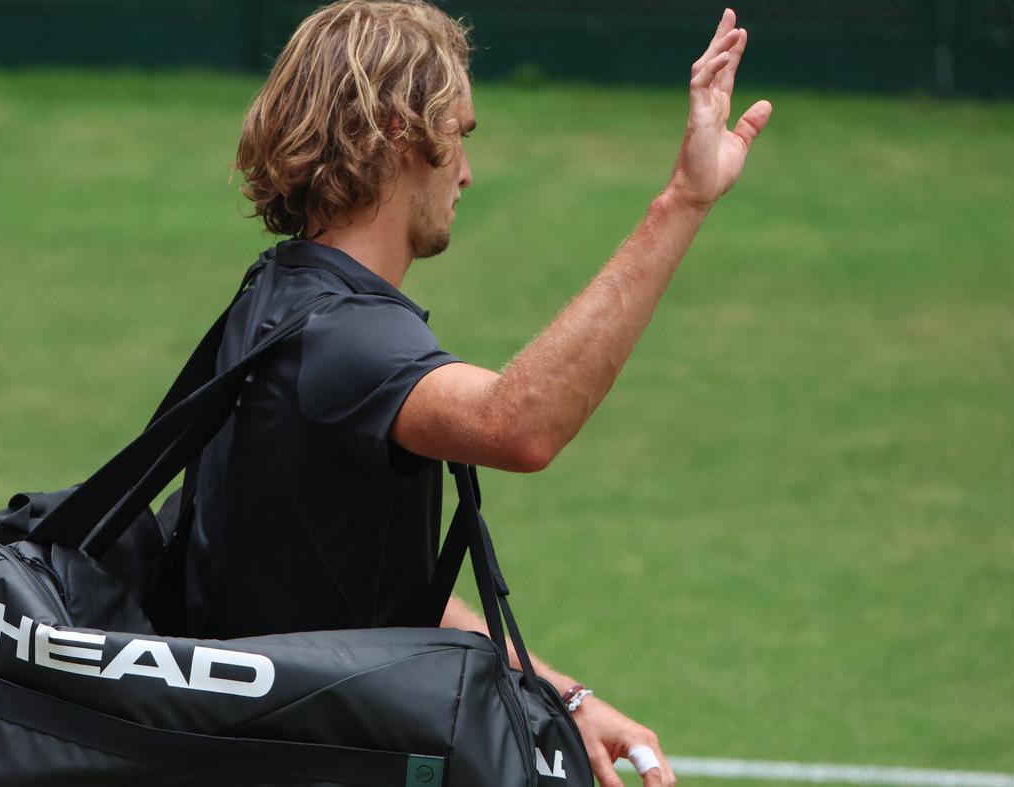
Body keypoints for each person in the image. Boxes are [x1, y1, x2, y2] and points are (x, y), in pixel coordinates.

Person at [185, 2, 771, 785]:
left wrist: (562, 694)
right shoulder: (344, 338)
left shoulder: (277, 300)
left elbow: (376, 597)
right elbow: (519, 424)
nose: (465, 168)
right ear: (401, 134)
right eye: (458, 133)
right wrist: (683, 200)